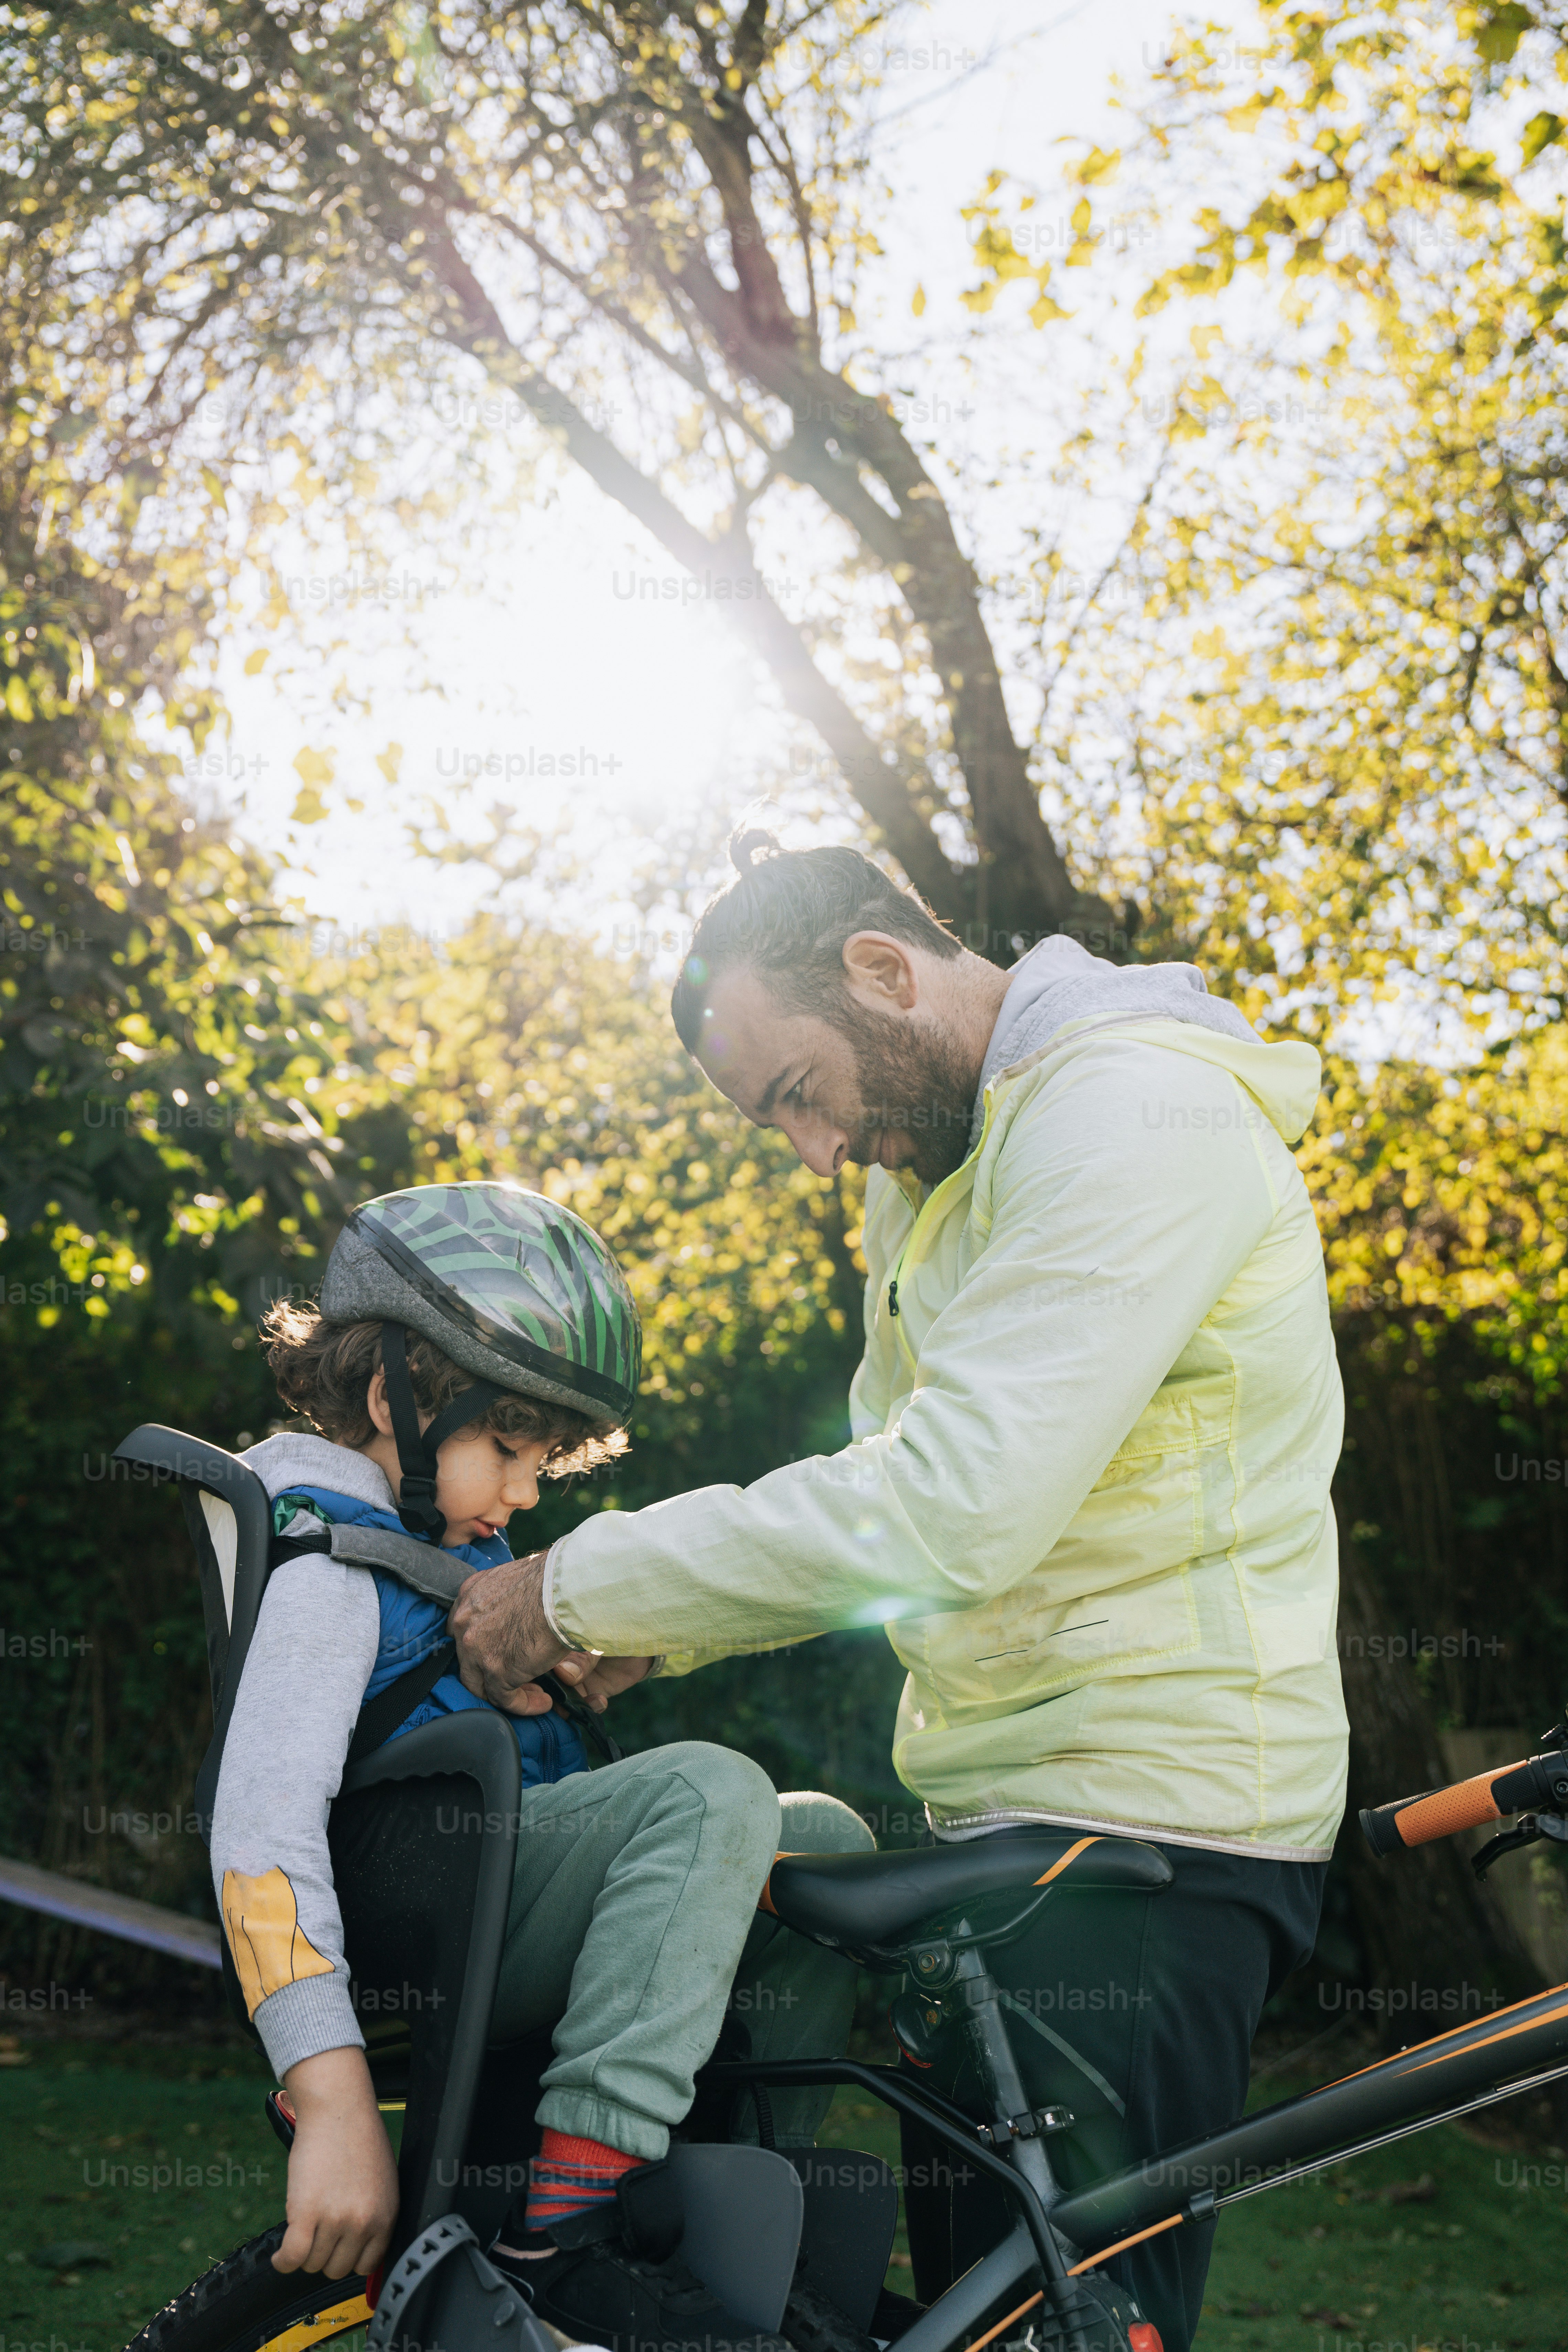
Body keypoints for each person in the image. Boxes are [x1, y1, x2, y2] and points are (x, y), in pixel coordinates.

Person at [449, 835, 1350, 2352]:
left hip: (1150, 1832)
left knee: (1064, 2332)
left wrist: (577, 1586)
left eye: (801, 1093)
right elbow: (879, 1505)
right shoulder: (937, 1179)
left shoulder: (1133, 1114)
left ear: (883, 972)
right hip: (1007, 1827)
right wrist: (647, 1634)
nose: (812, 1153)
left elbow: (953, 1507)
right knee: (983, 2323)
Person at [211, 1177, 871, 2352]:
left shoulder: (440, 1548)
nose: (524, 1492)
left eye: (544, 1459)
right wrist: (332, 2097)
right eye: (509, 1447)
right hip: (416, 1916)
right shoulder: (325, 1566)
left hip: (497, 1888)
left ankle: (735, 2202)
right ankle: (561, 2238)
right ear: (391, 1395)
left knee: (820, 1838)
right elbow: (258, 1831)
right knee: (709, 1788)